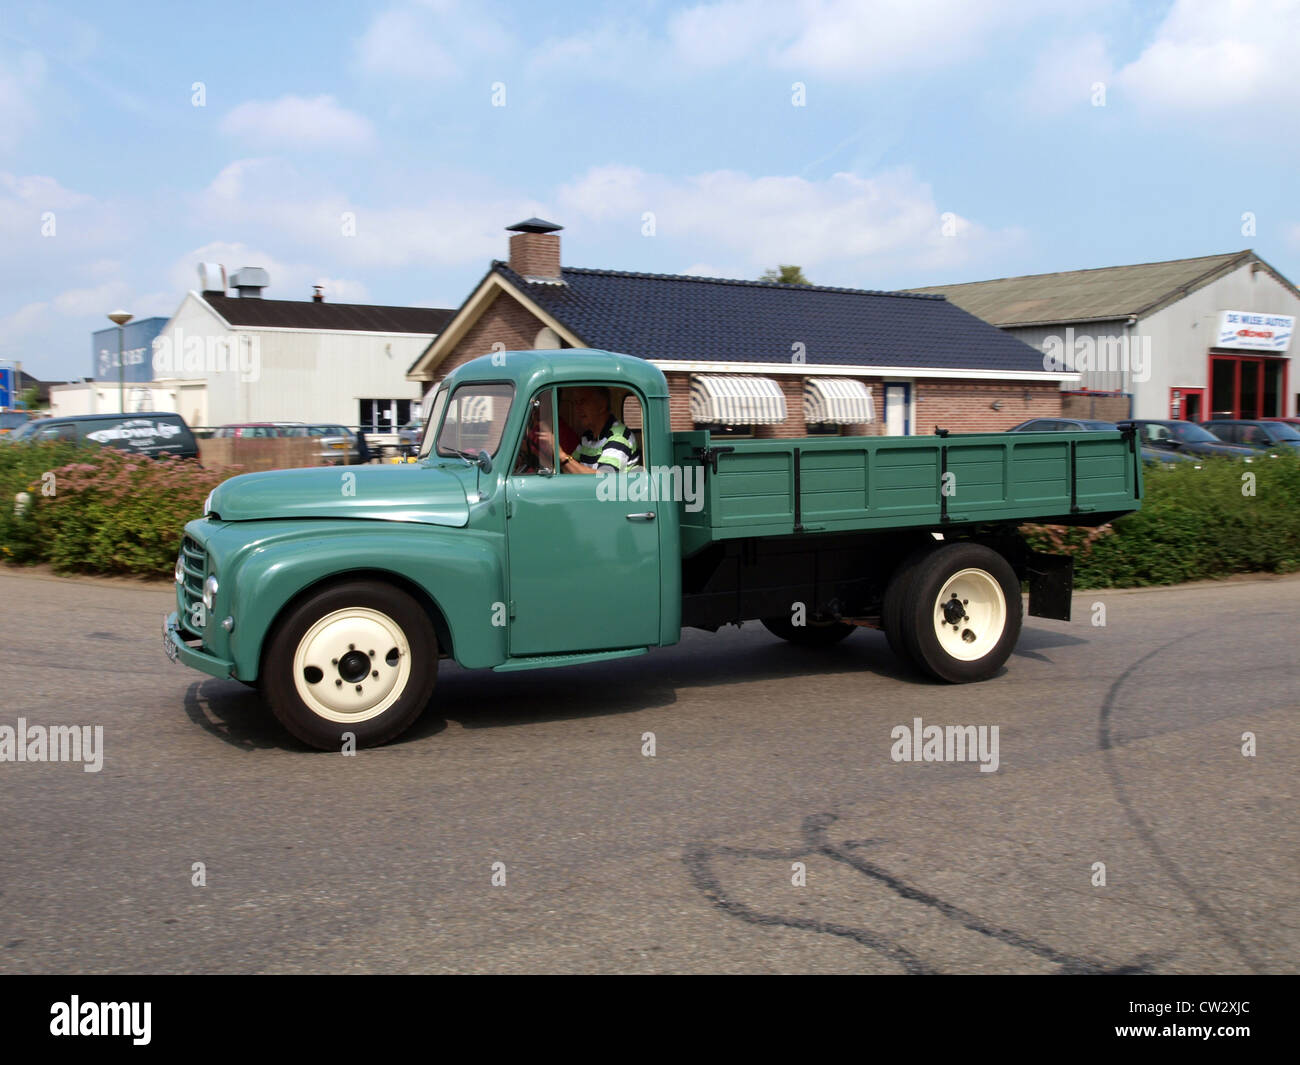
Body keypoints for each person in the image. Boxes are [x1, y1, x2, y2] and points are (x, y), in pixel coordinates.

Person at [553, 386, 640, 474]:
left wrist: (561, 456)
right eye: (575, 403)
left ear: (601, 406)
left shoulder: (619, 437)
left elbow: (602, 481)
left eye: (583, 402)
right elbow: (570, 470)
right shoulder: (587, 436)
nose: (577, 409)